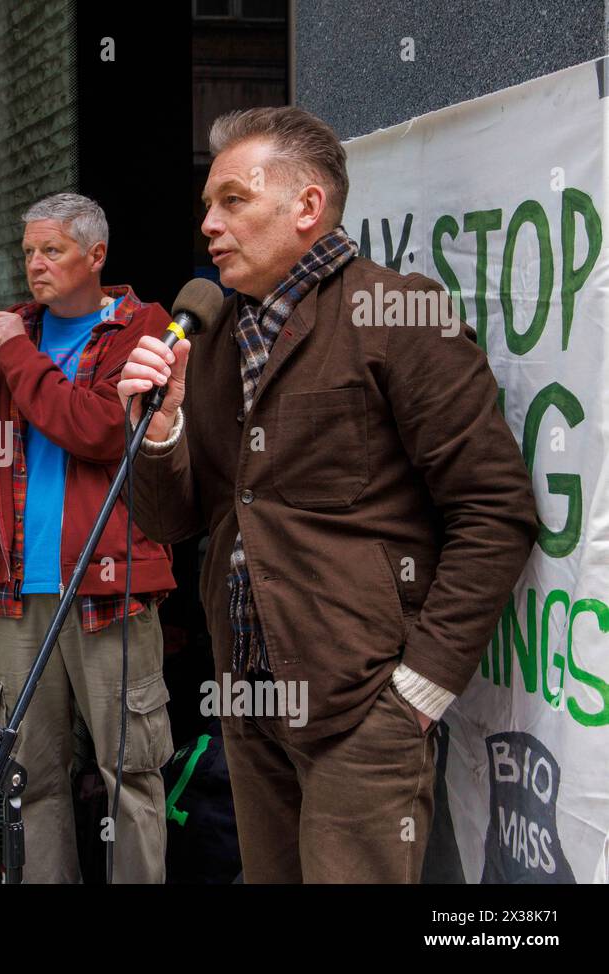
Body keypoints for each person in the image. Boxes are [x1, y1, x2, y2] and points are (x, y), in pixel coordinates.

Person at [118, 108, 539, 883]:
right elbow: (177, 521)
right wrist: (160, 431)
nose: (209, 224)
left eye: (233, 200)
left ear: (307, 207)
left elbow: (496, 509)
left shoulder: (398, 316)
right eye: (208, 205)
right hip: (248, 701)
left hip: (362, 710)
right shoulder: (209, 338)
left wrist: (419, 687)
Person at [0, 193, 175, 883]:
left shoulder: (146, 327)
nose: (35, 266)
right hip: (19, 591)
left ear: (96, 256)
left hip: (109, 588)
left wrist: (18, 354)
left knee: (129, 775)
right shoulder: (10, 332)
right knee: (31, 776)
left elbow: (94, 428)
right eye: (27, 253)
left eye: (51, 251)